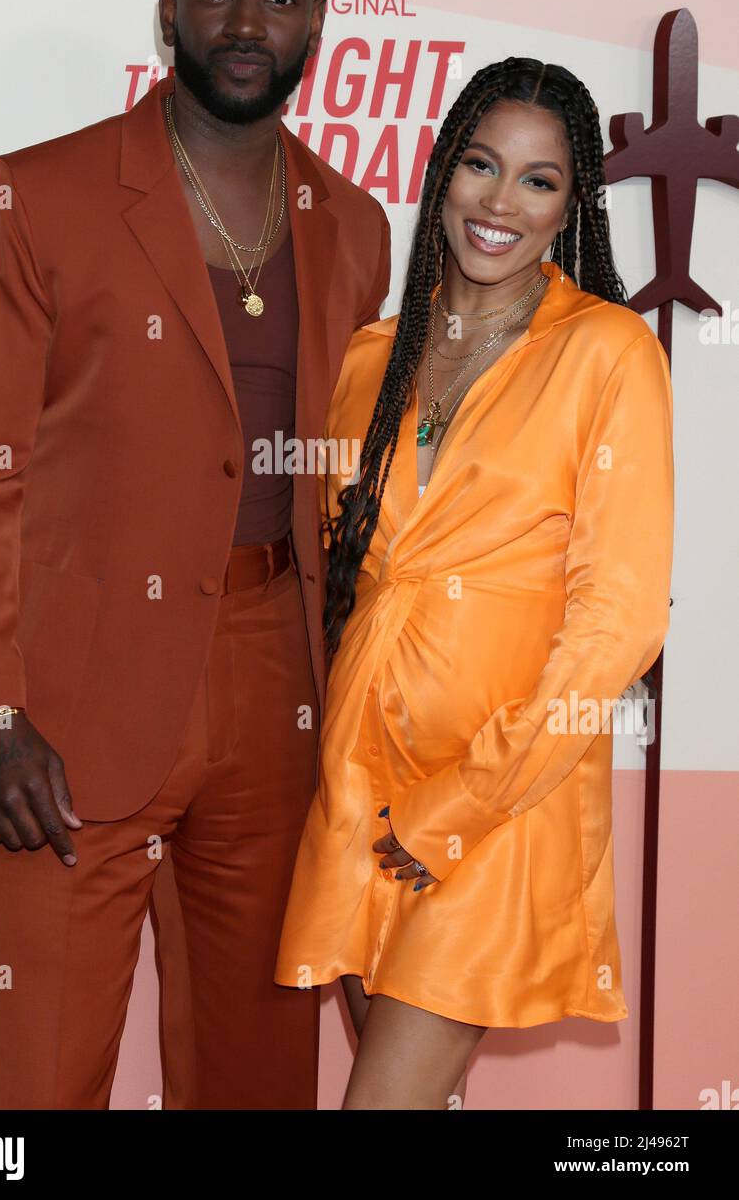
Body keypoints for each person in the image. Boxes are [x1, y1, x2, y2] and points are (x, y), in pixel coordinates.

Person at [0, 0, 390, 1110]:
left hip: (276, 685)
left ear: (317, 22)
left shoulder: (353, 222)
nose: (244, 21)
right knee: (34, 1077)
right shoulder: (40, 195)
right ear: (168, 5)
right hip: (67, 697)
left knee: (255, 1067)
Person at [274, 57, 675, 1110]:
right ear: (441, 170)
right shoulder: (369, 357)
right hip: (363, 780)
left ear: (570, 205)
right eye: (479, 165)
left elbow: (618, 617)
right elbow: (336, 573)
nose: (498, 203)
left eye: (537, 181)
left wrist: (460, 800)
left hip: (499, 803)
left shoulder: (606, 352)